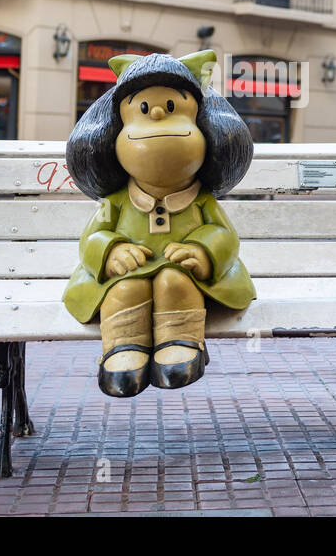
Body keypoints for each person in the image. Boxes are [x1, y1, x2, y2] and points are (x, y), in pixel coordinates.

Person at [64, 50, 255, 398]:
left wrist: (203, 250)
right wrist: (110, 251)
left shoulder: (201, 200)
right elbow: (92, 236)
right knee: (124, 289)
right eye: (141, 109)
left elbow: (225, 235)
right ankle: (122, 347)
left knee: (174, 281)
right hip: (125, 275)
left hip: (184, 275)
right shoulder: (118, 201)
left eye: (171, 107)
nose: (154, 114)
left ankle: (181, 339)